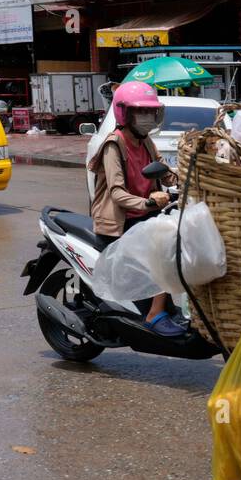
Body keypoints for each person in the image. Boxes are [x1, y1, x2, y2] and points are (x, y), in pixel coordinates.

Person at [87, 81, 185, 337]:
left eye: (150, 112)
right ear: (125, 114)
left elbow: (164, 171)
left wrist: (188, 180)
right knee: (158, 258)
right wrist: (148, 203)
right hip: (118, 222)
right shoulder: (113, 145)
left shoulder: (146, 143)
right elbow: (117, 193)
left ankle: (166, 307)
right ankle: (153, 315)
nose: (146, 117)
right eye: (140, 111)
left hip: (143, 217)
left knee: (175, 245)